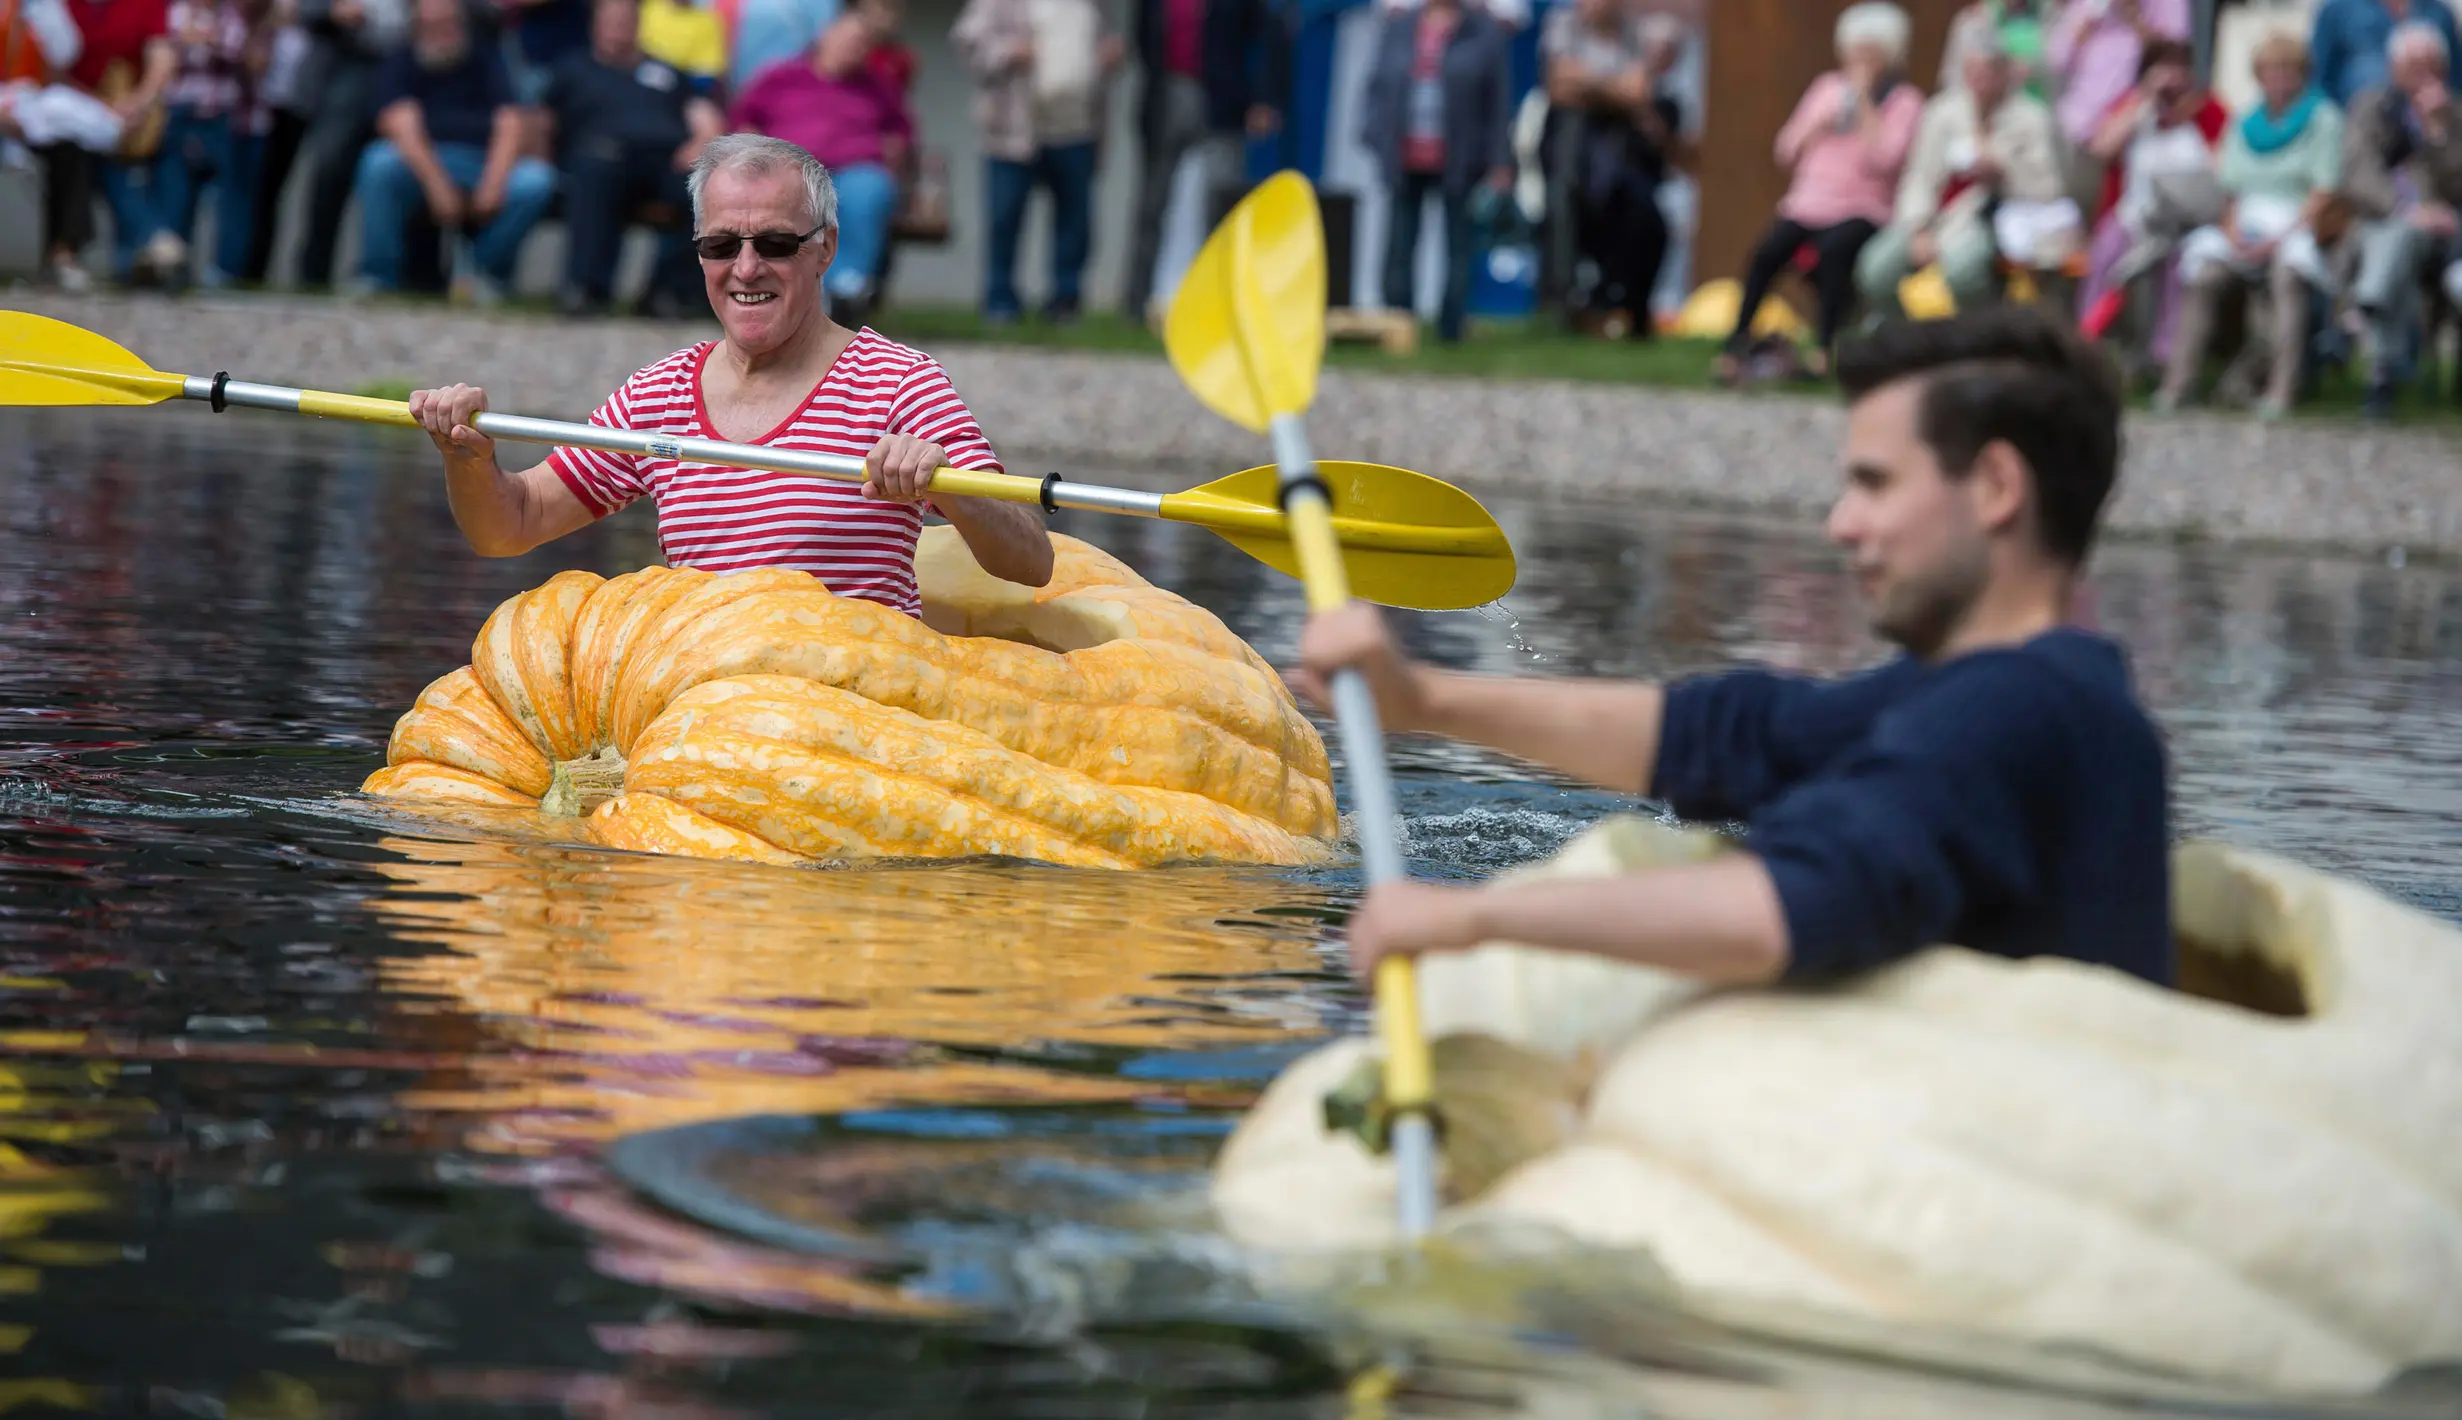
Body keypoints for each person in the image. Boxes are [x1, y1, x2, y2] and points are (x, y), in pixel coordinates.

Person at [1295, 306, 2169, 991]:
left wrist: (1468, 923)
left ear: (1995, 487)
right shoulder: (2013, 690)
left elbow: (1785, 910)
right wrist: (1425, 702)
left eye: (1875, 484)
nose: (1841, 524)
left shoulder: (2016, 714)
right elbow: (1734, 735)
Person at [404, 134, 1054, 612]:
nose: (745, 269)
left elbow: (1030, 559)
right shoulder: (656, 393)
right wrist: (467, 458)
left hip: (850, 728)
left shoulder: (900, 383)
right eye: (721, 246)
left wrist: (952, 487)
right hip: (703, 719)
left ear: (825, 248)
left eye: (774, 243)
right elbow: (510, 525)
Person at [1716, 2, 1922, 383]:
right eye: (1855, 50)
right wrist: (1819, 124)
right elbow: (1785, 150)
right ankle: (1735, 345)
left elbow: (1888, 159)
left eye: (1870, 52)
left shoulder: (1905, 102)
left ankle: (1824, 349)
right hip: (1808, 202)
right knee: (1766, 253)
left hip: (1864, 207)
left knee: (1833, 254)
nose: (1859, 60)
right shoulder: (1826, 89)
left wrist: (1863, 104)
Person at [2155, 31, 2345, 419]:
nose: (2278, 79)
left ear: (2302, 75)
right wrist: (2231, 231)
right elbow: (2228, 191)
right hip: (2246, 223)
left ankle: (2282, 388)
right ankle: (2179, 381)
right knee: (2203, 274)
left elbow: (2323, 192)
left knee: (2287, 278)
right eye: (2271, 71)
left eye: (2287, 71)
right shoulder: (2245, 121)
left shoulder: (2323, 119)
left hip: (2295, 222)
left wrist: (2277, 239)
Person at [1856, 23, 2066, 322]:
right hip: (1938, 219)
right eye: (1974, 72)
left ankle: (1979, 342)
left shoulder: (2032, 119)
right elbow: (1920, 176)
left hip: (2000, 221)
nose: (1981, 81)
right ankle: (1911, 342)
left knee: (1962, 272)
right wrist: (1918, 228)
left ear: (2005, 72)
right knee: (1875, 269)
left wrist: (2002, 173)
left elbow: (2050, 189)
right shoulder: (1942, 113)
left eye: (1989, 72)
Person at [349, 0, 556, 299]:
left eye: (449, 21)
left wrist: (494, 181)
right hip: (423, 161)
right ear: (417, 25)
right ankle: (378, 275)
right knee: (378, 162)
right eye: (433, 23)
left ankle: (481, 275)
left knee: (536, 181)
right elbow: (399, 123)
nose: (443, 30)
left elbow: (510, 120)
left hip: (482, 162)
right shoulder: (401, 60)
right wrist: (438, 186)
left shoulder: (486, 57)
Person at [540, 0, 723, 318]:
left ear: (639, 24)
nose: (619, 27)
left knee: (709, 192)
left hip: (665, 161)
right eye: (611, 20)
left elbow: (703, 115)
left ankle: (668, 293)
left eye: (626, 20)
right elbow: (541, 122)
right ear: (594, 24)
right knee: (595, 173)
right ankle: (586, 289)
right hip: (598, 159)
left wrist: (701, 142)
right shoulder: (572, 69)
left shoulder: (665, 71)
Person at [729, 2, 910, 322]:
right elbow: (744, 121)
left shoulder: (877, 85)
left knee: (871, 190)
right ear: (825, 37)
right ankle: (787, 291)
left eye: (862, 44)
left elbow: (899, 131)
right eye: (848, 39)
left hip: (855, 171)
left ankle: (846, 288)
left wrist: (894, 160)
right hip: (790, 168)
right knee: (790, 199)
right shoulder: (782, 76)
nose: (854, 49)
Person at [953, 0, 1123, 324]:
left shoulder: (1094, 5)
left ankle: (1065, 303)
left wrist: (1110, 55)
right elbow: (967, 40)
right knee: (1005, 218)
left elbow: (1107, 43)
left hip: (1078, 129)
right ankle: (1000, 302)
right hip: (1014, 133)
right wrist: (1007, 52)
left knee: (1076, 223)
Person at [1120, 0, 1292, 321]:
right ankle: (1135, 302)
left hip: (1222, 100)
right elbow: (1143, 37)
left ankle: (1216, 307)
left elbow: (1272, 35)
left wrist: (1264, 100)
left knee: (1220, 209)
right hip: (1167, 95)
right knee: (1152, 204)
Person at [1359, 0, 1513, 344]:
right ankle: (1398, 323)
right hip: (1404, 152)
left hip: (1460, 155)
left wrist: (1500, 158)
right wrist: (1372, 132)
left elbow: (1498, 99)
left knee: (1458, 244)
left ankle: (1452, 327)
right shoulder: (1400, 26)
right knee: (1399, 242)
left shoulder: (1482, 30)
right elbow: (1377, 85)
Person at [2073, 38, 2226, 380]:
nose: (2173, 77)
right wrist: (2145, 101)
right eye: (2164, 67)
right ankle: (2088, 343)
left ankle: (2165, 358)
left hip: (2189, 220)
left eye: (2180, 68)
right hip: (2135, 213)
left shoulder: (2208, 110)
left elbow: (2224, 166)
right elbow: (2102, 148)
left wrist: (2188, 113)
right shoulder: (2132, 106)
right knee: (2106, 258)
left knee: (2178, 268)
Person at [1539, 0, 1685, 337]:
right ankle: (1565, 304)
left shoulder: (1633, 33)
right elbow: (1560, 84)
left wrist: (1588, 85)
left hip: (1618, 152)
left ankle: (1628, 312)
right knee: (1565, 204)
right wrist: (1615, 89)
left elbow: (1637, 91)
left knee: (1647, 221)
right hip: (1573, 141)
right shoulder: (1564, 24)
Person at [2342, 20, 2462, 416]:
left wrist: (2440, 131)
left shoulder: (2455, 115)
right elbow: (2359, 173)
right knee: (2398, 235)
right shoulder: (2371, 107)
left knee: (2400, 240)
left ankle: (2369, 308)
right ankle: (2382, 365)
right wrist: (2404, 209)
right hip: (2383, 224)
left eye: (2431, 64)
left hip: (2447, 234)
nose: (2422, 74)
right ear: (2394, 68)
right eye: (2413, 64)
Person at [288, 0, 409, 288]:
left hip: (407, 71)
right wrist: (334, 12)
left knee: (399, 174)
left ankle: (401, 275)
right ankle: (313, 274)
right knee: (330, 173)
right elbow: (303, 10)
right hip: (347, 74)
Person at [2047, 0, 2191, 203]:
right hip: (2081, 127)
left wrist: (2132, 14)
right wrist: (2090, 17)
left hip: (2137, 123)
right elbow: (2060, 59)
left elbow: (2174, 56)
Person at [2312, 0, 2461, 108]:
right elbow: (2320, 81)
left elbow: (2455, 80)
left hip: (2433, 127)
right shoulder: (2338, 11)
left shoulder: (2439, 12)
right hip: (2361, 129)